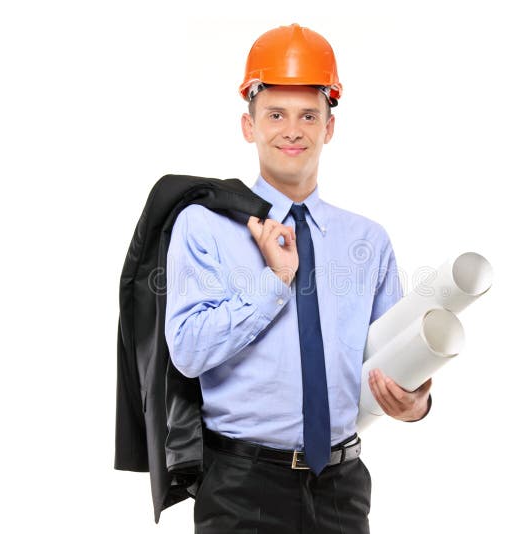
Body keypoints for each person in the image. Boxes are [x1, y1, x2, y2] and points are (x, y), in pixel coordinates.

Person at [164, 23, 432, 533]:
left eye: (309, 115)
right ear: (249, 125)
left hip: (341, 486)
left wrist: (416, 401)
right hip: (241, 486)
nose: (293, 130)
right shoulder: (205, 225)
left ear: (329, 127)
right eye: (276, 115)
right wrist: (275, 282)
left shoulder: (367, 240)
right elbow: (188, 350)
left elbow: (391, 359)